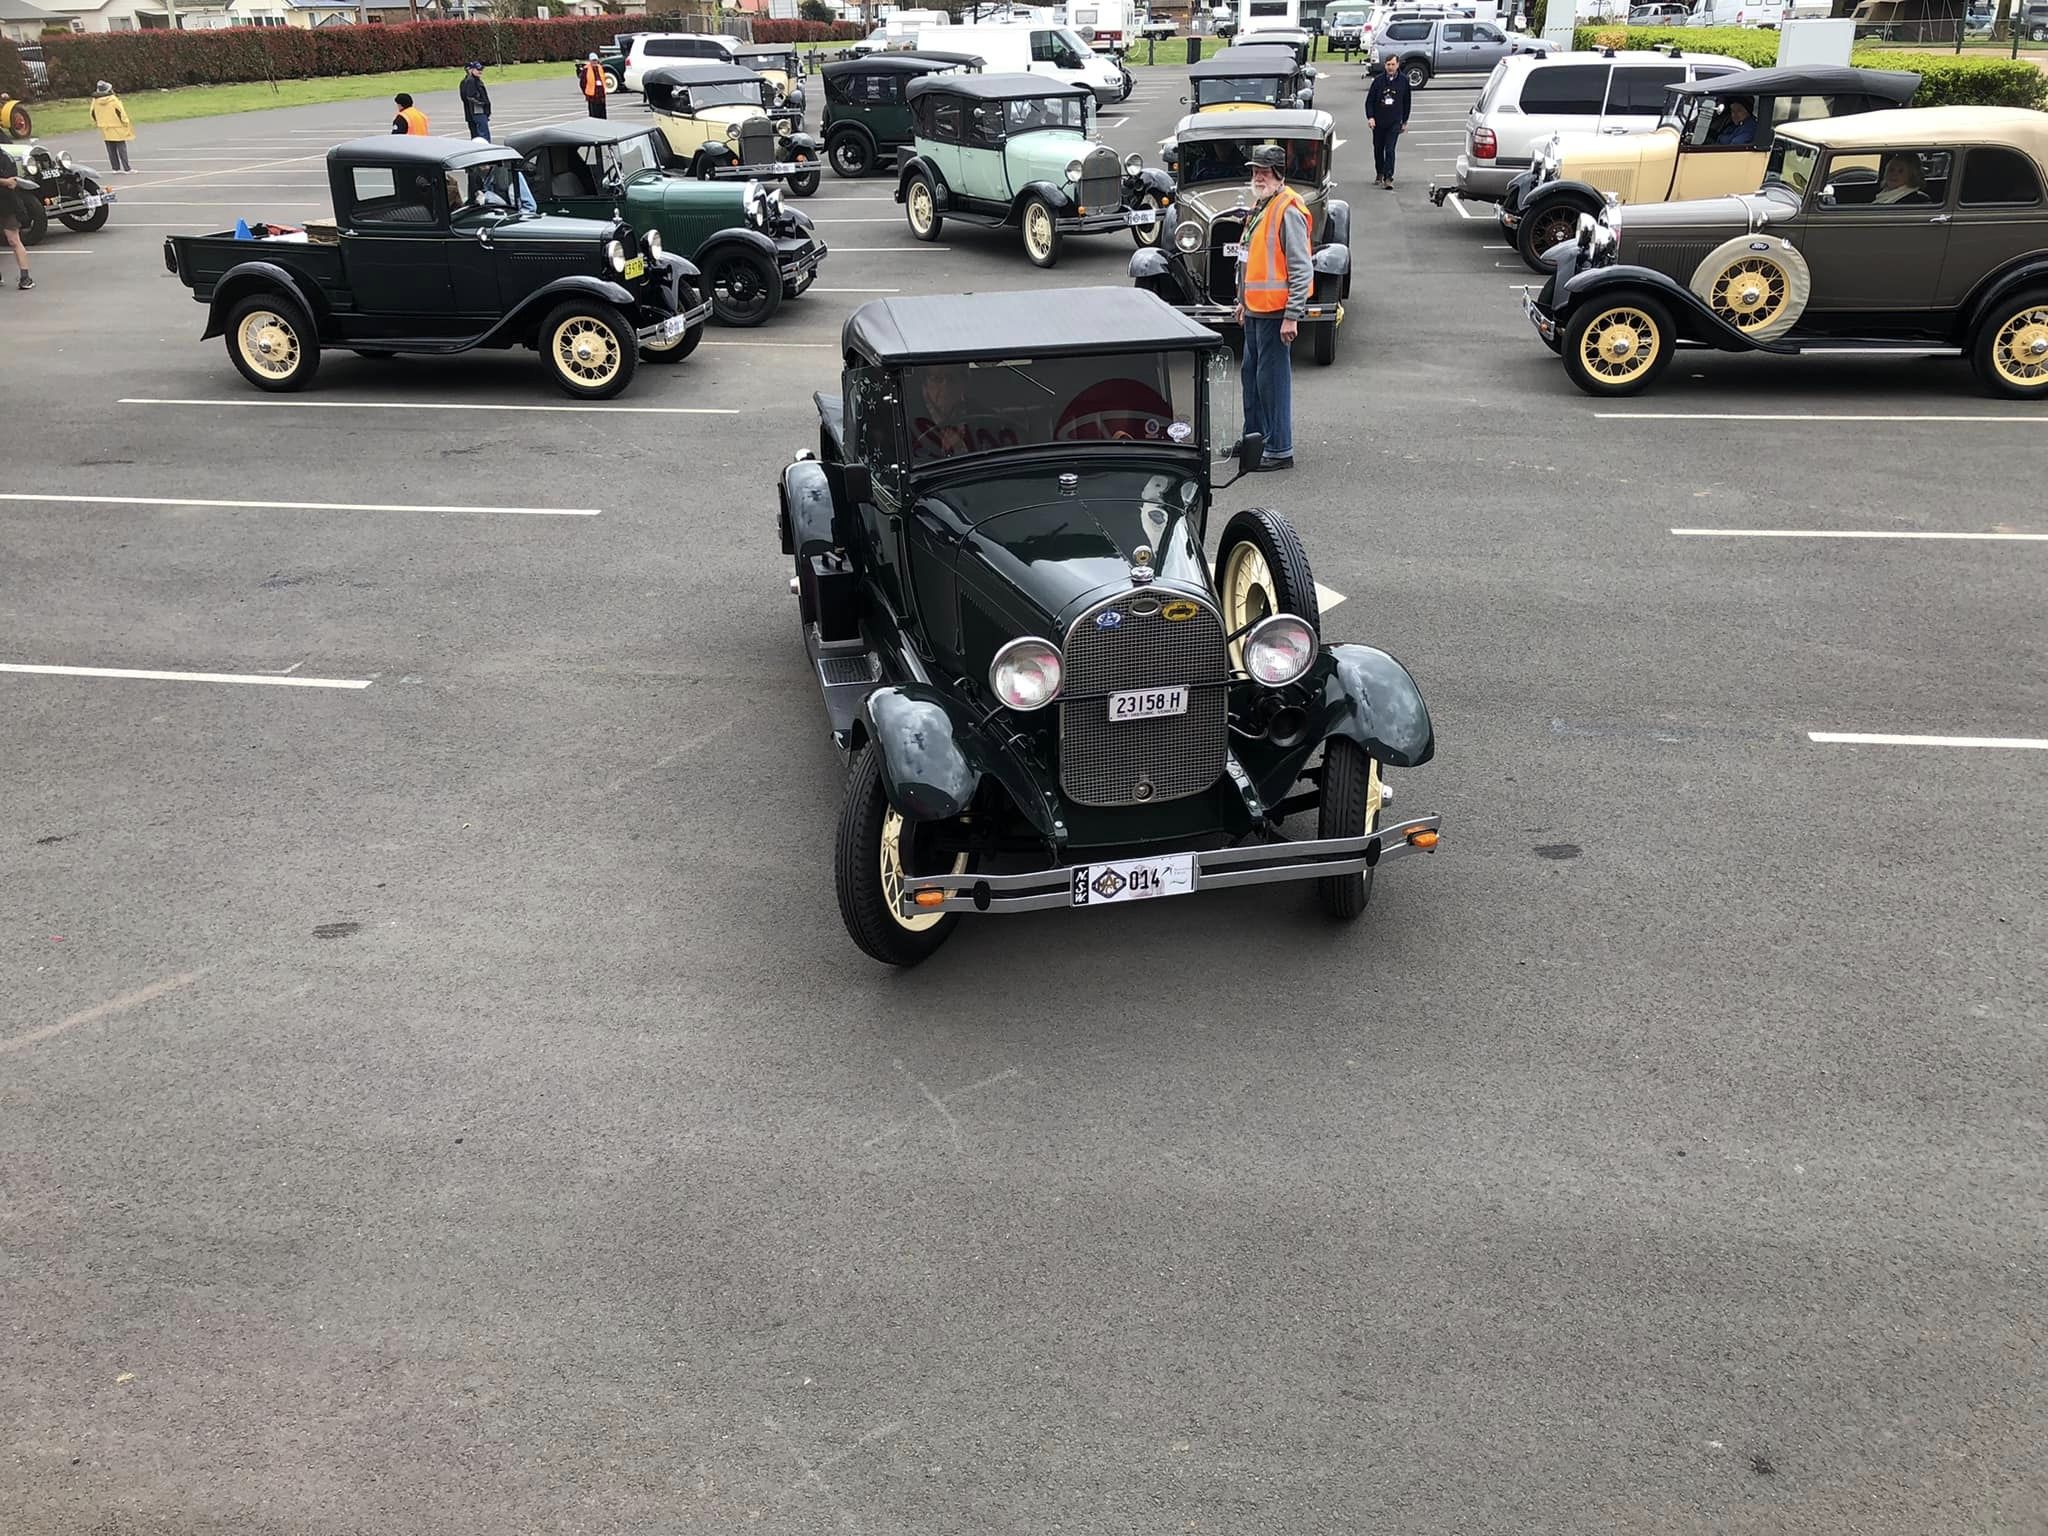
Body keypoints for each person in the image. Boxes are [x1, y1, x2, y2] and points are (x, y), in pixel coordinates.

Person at [1234, 143, 1309, 472]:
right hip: (1255, 309)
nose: (1258, 176)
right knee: (1252, 377)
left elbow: (1301, 266)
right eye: (1255, 171)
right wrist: (1241, 300)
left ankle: (1279, 448)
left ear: (1279, 174)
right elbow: (1248, 260)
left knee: (1272, 382)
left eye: (1264, 171)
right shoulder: (1262, 206)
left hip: (1275, 313)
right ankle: (1255, 439)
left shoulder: (1287, 209)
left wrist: (1292, 315)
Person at [1365, 53, 1410, 189]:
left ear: (1398, 65)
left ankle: (1388, 177)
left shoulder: (1404, 81)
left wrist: (1404, 121)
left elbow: (1407, 102)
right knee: (1378, 148)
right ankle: (1380, 172)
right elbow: (1369, 101)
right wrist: (1370, 117)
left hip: (1394, 121)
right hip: (1379, 121)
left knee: (1390, 150)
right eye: (1388, 64)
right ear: (1385, 65)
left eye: (1393, 64)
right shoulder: (1378, 81)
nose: (1390, 67)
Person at [0, 143, 33, 289]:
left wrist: (5, 182)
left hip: (7, 204)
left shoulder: (5, 157)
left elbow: (12, 182)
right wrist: (4, 181)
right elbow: (6, 181)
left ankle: (25, 277)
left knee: (14, 240)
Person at [90, 82, 136, 175]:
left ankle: (115, 168)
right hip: (117, 126)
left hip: (104, 127)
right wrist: (126, 122)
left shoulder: (95, 101)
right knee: (121, 148)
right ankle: (127, 168)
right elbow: (121, 112)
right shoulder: (113, 100)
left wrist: (98, 122)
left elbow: (92, 113)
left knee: (110, 148)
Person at [460, 60, 492, 141]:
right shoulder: (470, 81)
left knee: (478, 134)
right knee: (483, 133)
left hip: (477, 111)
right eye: (478, 70)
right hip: (477, 111)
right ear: (471, 70)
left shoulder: (476, 80)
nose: (480, 71)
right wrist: (482, 103)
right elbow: (469, 97)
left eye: (481, 69)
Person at [579, 53, 608, 120]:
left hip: (601, 96)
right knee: (594, 116)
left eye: (595, 60)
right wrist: (586, 93)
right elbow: (582, 83)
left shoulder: (600, 68)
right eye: (593, 60)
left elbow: (603, 80)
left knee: (602, 115)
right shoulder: (586, 70)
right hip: (592, 97)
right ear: (590, 61)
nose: (594, 62)